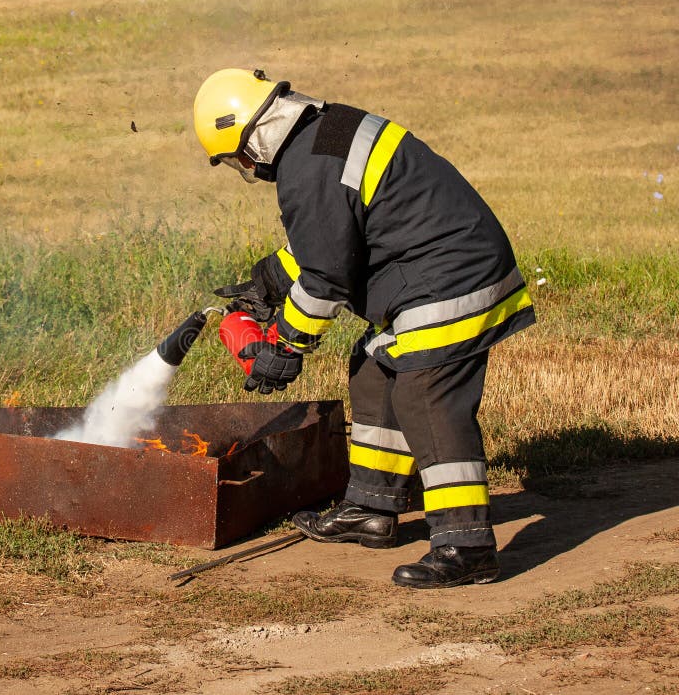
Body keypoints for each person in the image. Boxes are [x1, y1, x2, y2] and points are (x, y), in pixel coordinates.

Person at [193, 68, 535, 589]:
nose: (247, 168)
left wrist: (285, 345)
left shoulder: (305, 169)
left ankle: (466, 547)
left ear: (252, 138)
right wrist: (265, 285)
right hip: (439, 266)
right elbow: (332, 237)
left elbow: (328, 276)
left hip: (453, 278)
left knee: (426, 395)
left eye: (238, 159)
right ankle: (371, 508)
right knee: (374, 370)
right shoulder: (319, 135)